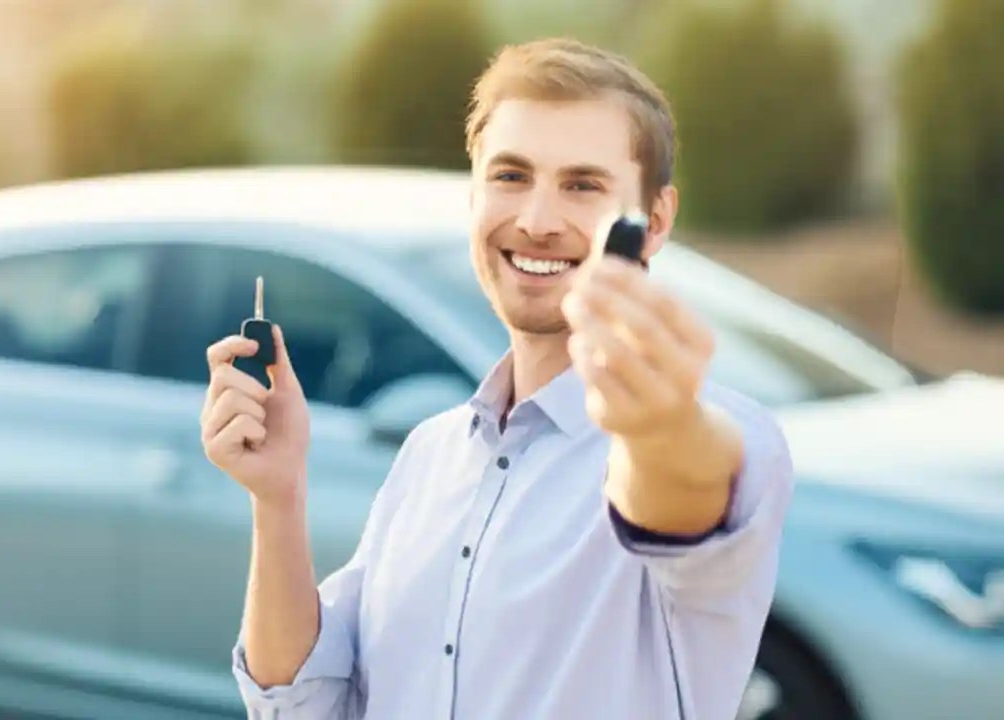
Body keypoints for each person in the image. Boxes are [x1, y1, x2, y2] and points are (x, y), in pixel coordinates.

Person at [200, 37, 793, 720]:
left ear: (654, 222)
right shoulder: (430, 455)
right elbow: (305, 704)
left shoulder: (717, 436)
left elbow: (677, 488)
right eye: (511, 176)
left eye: (582, 185)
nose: (537, 222)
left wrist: (654, 426)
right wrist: (278, 499)